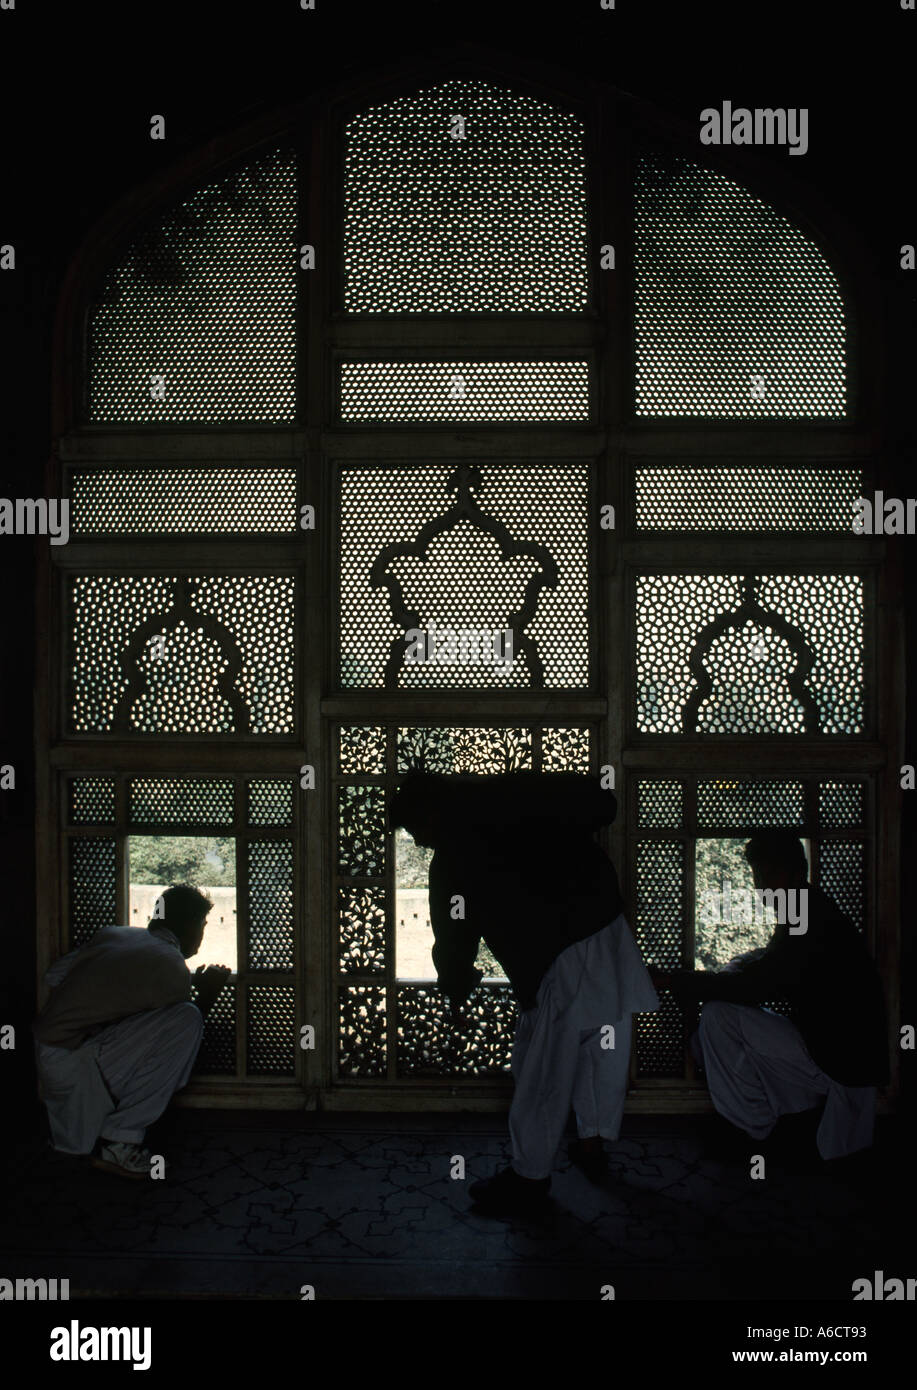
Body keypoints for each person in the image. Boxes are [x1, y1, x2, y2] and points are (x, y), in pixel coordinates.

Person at [389, 771, 659, 1214]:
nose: (418, 841)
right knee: (599, 1049)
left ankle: (529, 1177)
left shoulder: (455, 853)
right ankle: (591, 1145)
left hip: (558, 956)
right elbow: (597, 806)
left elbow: (455, 935)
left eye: (416, 829)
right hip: (606, 929)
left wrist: (455, 988)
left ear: (432, 813)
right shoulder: (511, 796)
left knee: (541, 1070)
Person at [652, 831, 888, 1163]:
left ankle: (754, 1131)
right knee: (726, 1021)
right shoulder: (809, 907)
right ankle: (774, 1122)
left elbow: (756, 987)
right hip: (836, 1052)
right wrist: (742, 964)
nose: (761, 886)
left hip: (837, 1060)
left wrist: (673, 980)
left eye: (768, 875)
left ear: (796, 873)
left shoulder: (807, 916)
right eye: (757, 876)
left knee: (720, 1018)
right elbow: (777, 962)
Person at [33, 884, 232, 1179]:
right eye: (202, 925)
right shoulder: (171, 964)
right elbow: (180, 1036)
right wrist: (207, 995)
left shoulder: (116, 934)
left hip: (48, 1055)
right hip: (74, 1064)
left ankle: (91, 1129)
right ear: (190, 926)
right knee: (187, 1018)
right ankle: (119, 1142)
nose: (202, 935)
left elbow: (54, 975)